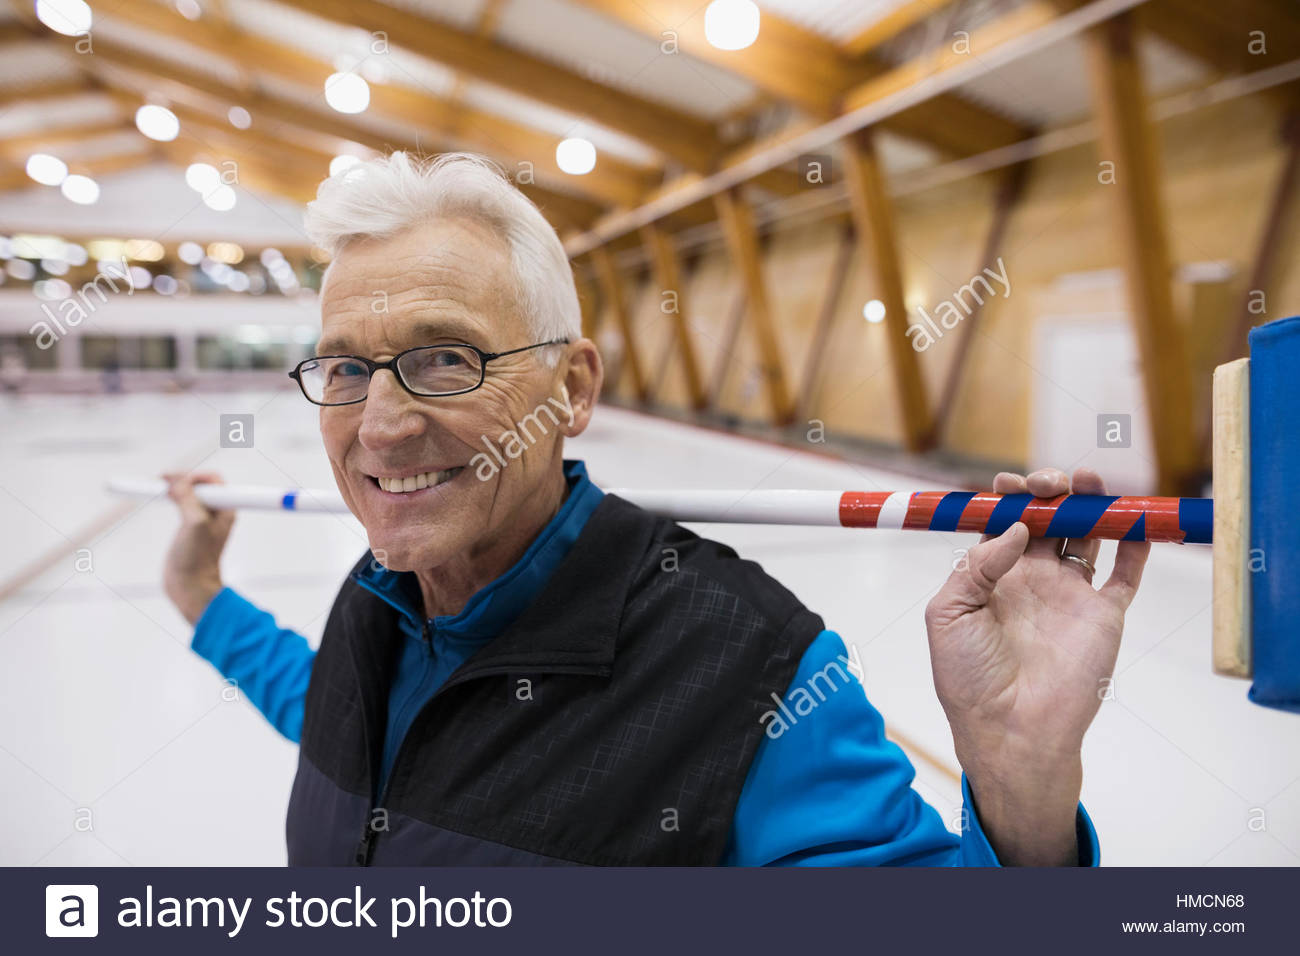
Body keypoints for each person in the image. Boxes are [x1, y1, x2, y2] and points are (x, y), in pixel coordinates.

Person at [162, 152, 1149, 867]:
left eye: (445, 359)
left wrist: (1021, 804)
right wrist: (204, 595)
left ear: (574, 387)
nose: (379, 426)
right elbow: (348, 724)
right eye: (345, 367)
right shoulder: (382, 592)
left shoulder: (741, 666)